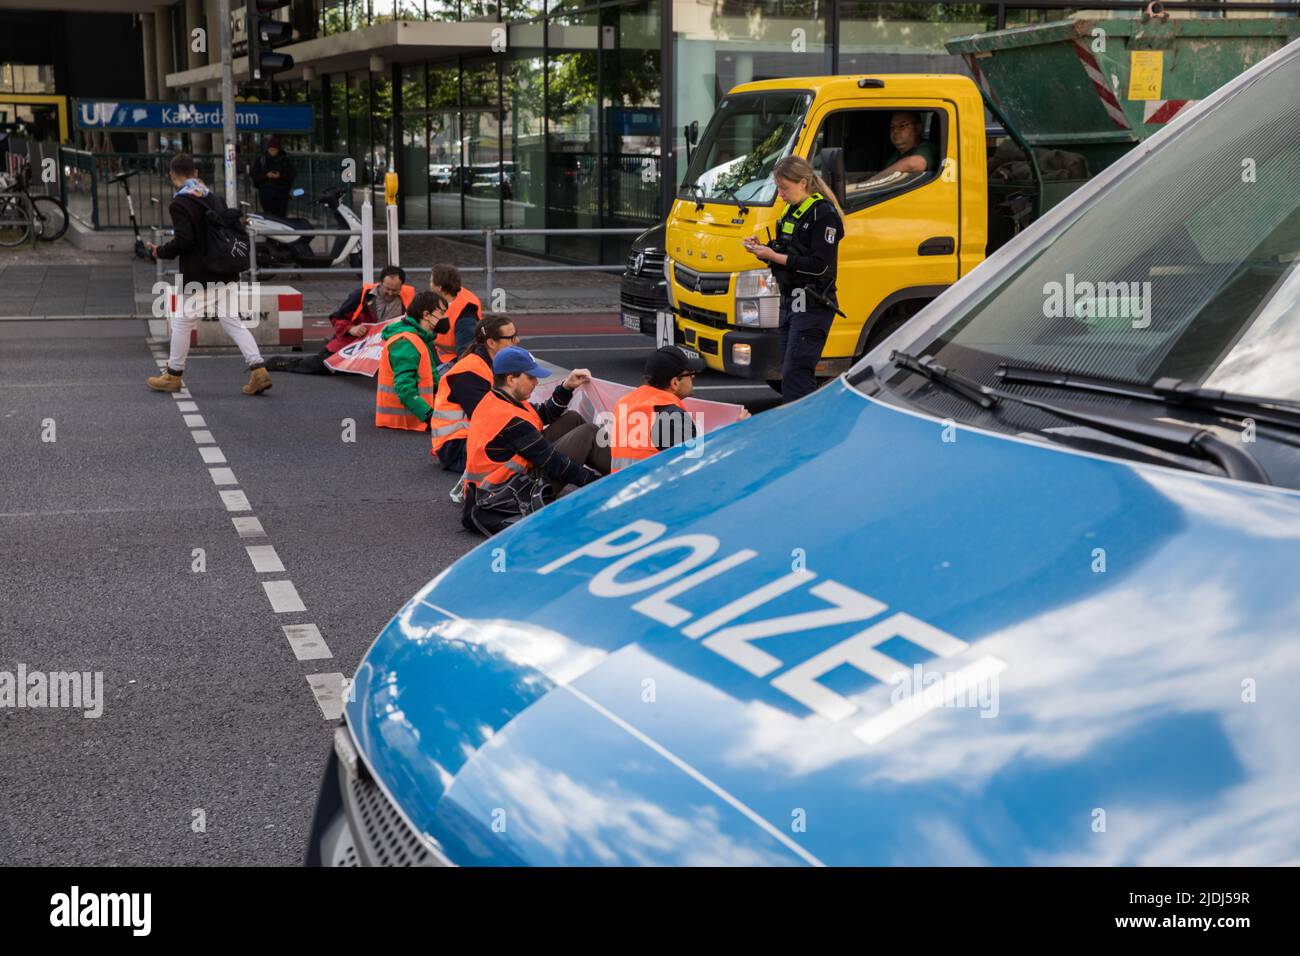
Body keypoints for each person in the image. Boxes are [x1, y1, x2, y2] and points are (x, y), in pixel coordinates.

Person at [146, 153, 272, 396]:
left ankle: (173, 375)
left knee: (182, 321)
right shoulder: (213, 197)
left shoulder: (179, 204)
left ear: (173, 176)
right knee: (232, 321)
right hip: (226, 269)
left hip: (201, 274)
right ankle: (258, 370)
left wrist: (159, 251)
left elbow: (185, 240)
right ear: (195, 173)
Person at [462, 347, 609, 535]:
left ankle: (623, 475)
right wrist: (601, 484)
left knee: (572, 417)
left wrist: (567, 387)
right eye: (530, 377)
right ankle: (626, 481)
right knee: (588, 432)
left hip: (493, 487)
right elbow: (555, 462)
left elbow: (542, 414)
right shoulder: (508, 419)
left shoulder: (497, 398)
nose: (536, 382)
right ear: (511, 378)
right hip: (506, 495)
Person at [742, 154, 844, 404]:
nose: (781, 194)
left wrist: (773, 255)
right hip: (790, 302)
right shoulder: (792, 210)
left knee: (796, 376)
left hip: (813, 304)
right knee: (789, 373)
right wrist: (763, 250)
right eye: (778, 187)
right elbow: (789, 253)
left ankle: (803, 431)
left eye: (784, 188)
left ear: (803, 183)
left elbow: (819, 265)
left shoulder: (824, 215)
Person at [266, 265, 414, 374]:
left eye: (395, 290)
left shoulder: (408, 300)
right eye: (387, 288)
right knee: (323, 366)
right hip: (354, 343)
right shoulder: (361, 296)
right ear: (380, 283)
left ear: (402, 287)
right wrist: (351, 329)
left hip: (385, 349)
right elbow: (337, 317)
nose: (389, 293)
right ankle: (282, 362)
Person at [429, 315, 519, 474]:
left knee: (535, 446)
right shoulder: (469, 372)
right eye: (511, 338)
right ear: (491, 343)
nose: (517, 341)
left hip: (471, 441)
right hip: (457, 449)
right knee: (527, 457)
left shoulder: (488, 365)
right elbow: (491, 418)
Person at [611, 346, 714, 472]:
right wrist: (737, 428)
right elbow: (698, 466)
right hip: (654, 488)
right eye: (690, 373)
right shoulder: (673, 418)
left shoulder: (623, 404)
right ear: (675, 383)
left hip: (619, 487)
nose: (693, 377)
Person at [375, 291, 448, 431]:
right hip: (405, 421)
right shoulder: (406, 342)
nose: (445, 318)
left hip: (413, 418)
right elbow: (405, 389)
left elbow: (431, 379)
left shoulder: (418, 338)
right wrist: (429, 417)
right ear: (426, 315)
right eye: (442, 313)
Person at [429, 264, 483, 365]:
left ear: (440, 288)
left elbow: (465, 353)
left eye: (431, 282)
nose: (430, 285)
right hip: (441, 353)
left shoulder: (465, 314)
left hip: (451, 361)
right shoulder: (452, 297)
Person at [250, 135, 296, 217]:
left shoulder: (285, 160)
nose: (272, 152)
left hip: (282, 193)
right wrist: (266, 175)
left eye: (274, 150)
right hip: (266, 193)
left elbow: (292, 174)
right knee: (269, 215)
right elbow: (254, 175)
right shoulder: (262, 160)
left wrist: (280, 176)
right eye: (271, 150)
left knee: (281, 216)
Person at [880, 111, 937, 176]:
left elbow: (914, 164)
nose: (895, 130)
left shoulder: (928, 148)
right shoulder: (895, 154)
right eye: (892, 126)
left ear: (918, 128)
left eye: (902, 125)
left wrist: (877, 179)